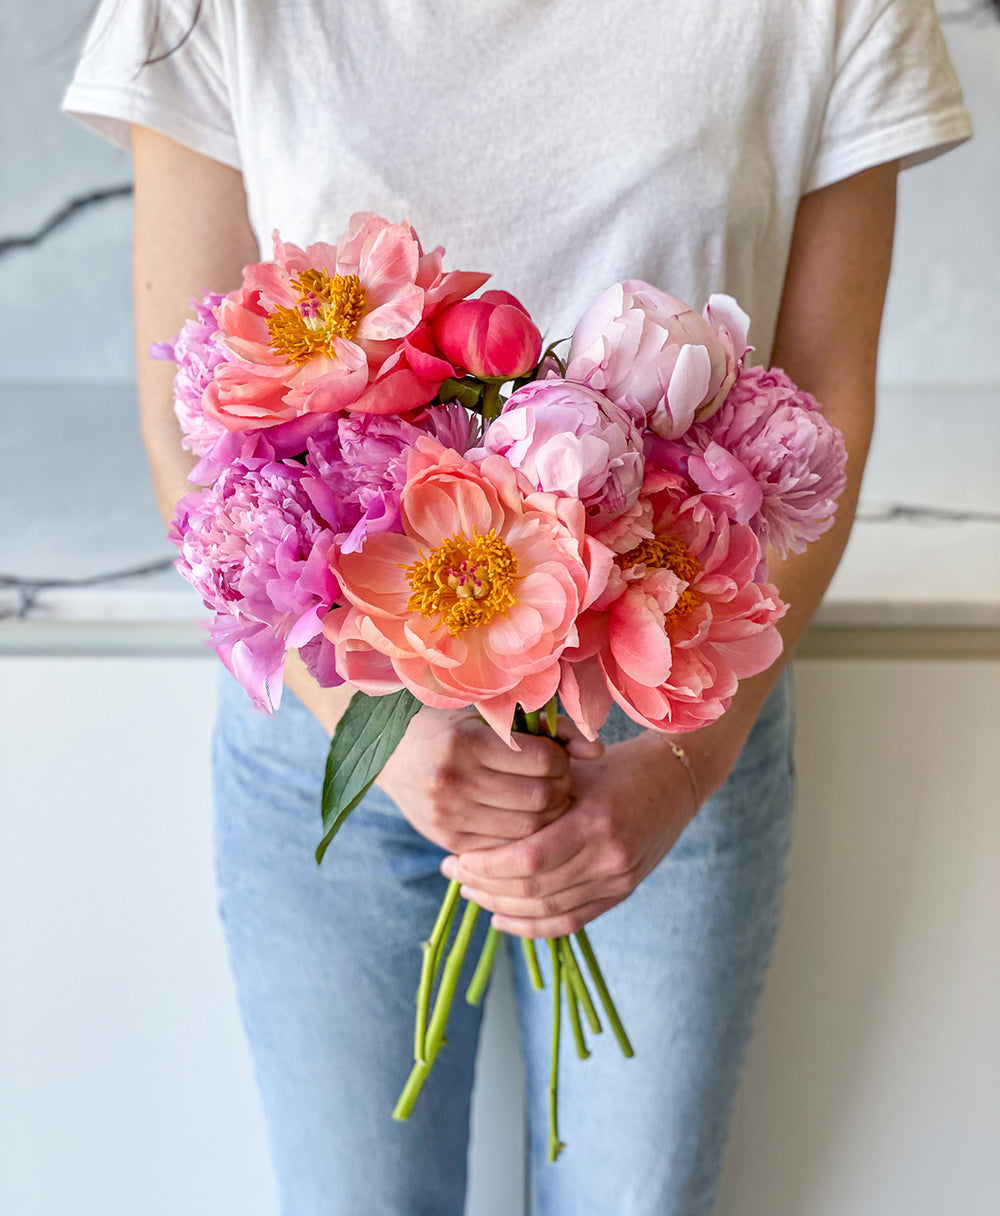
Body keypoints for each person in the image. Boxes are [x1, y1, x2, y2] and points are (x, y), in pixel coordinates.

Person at [64, 3, 970, 1213]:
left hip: (667, 726)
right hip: (330, 729)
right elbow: (194, 405)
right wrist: (362, 728)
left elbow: (823, 403)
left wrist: (682, 774)